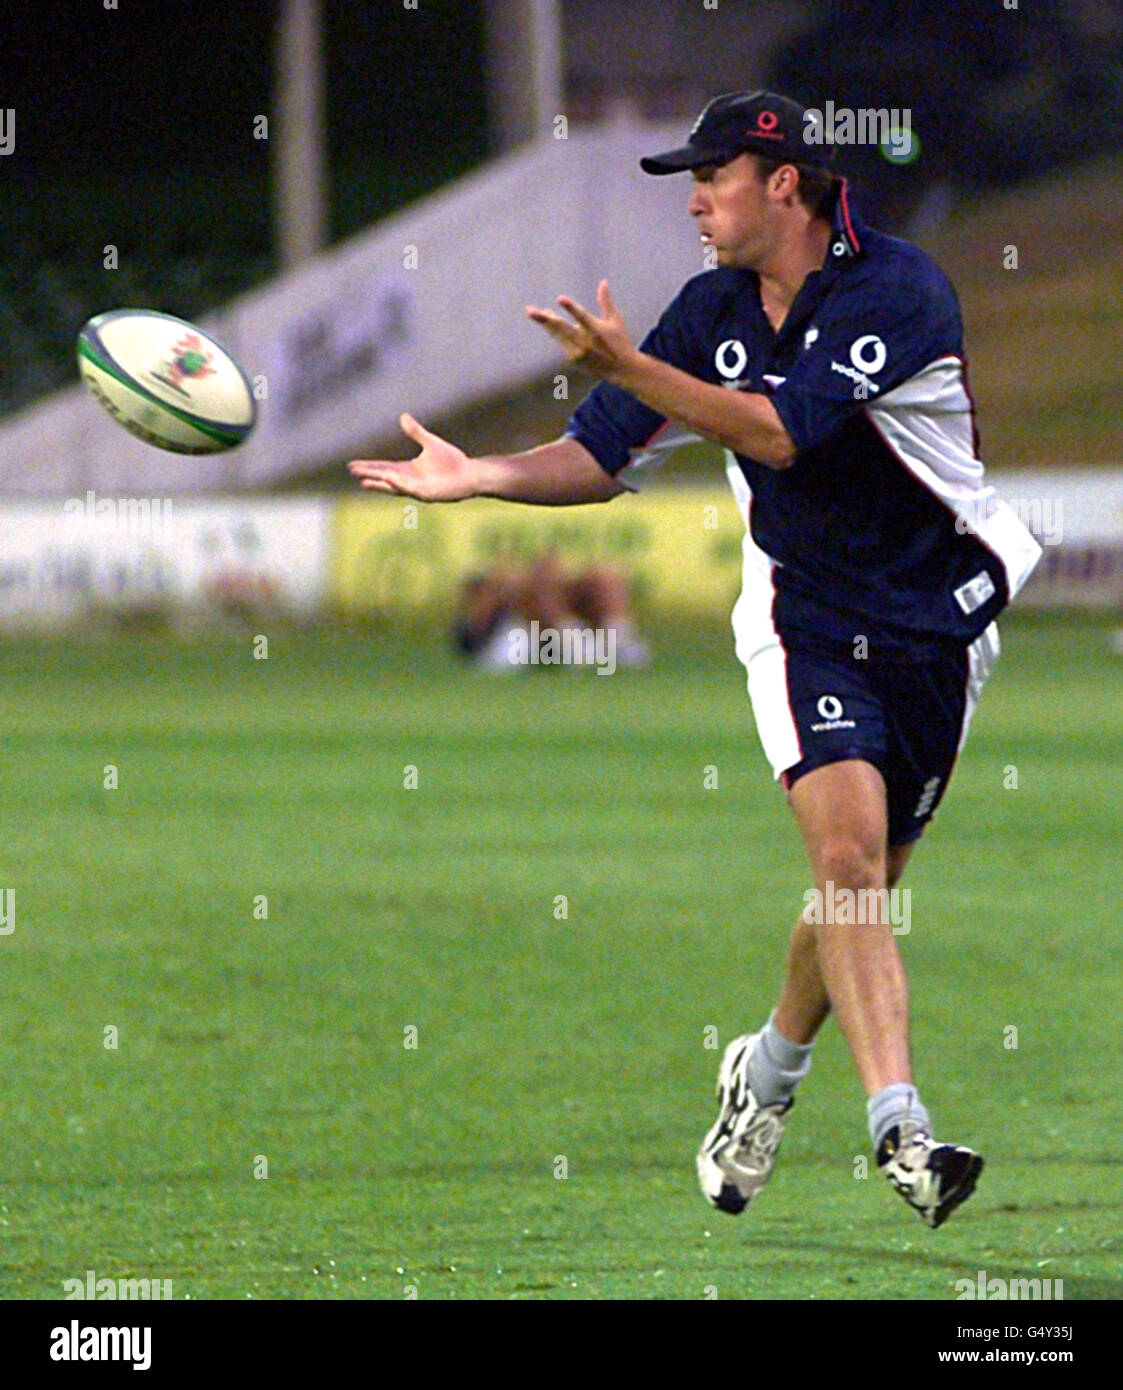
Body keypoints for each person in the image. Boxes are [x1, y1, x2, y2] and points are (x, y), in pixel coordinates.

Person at [350, 90, 1042, 1228]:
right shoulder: (708, 309)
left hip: (940, 616)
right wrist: (479, 475)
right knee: (849, 862)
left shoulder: (899, 289)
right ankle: (902, 1133)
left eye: (708, 177)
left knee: (862, 888)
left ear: (782, 184)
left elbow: (777, 429)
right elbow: (600, 454)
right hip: (804, 616)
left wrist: (628, 365)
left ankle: (762, 1072)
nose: (692, 200)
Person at [453, 551, 649, 672]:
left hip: (551, 638)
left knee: (603, 577)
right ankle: (584, 647)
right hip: (517, 642)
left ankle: (618, 640)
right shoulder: (503, 599)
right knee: (540, 585)